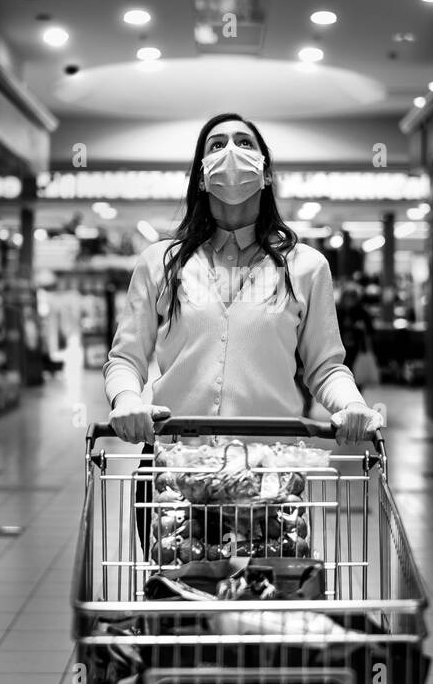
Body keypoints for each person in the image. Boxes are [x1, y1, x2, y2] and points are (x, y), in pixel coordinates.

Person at [105, 113, 384, 447]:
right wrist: (127, 400)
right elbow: (125, 358)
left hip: (271, 467)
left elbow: (325, 368)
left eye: (244, 142)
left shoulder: (306, 266)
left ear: (265, 173)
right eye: (218, 145)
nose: (232, 151)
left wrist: (352, 404)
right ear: (201, 178)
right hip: (176, 463)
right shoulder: (160, 262)